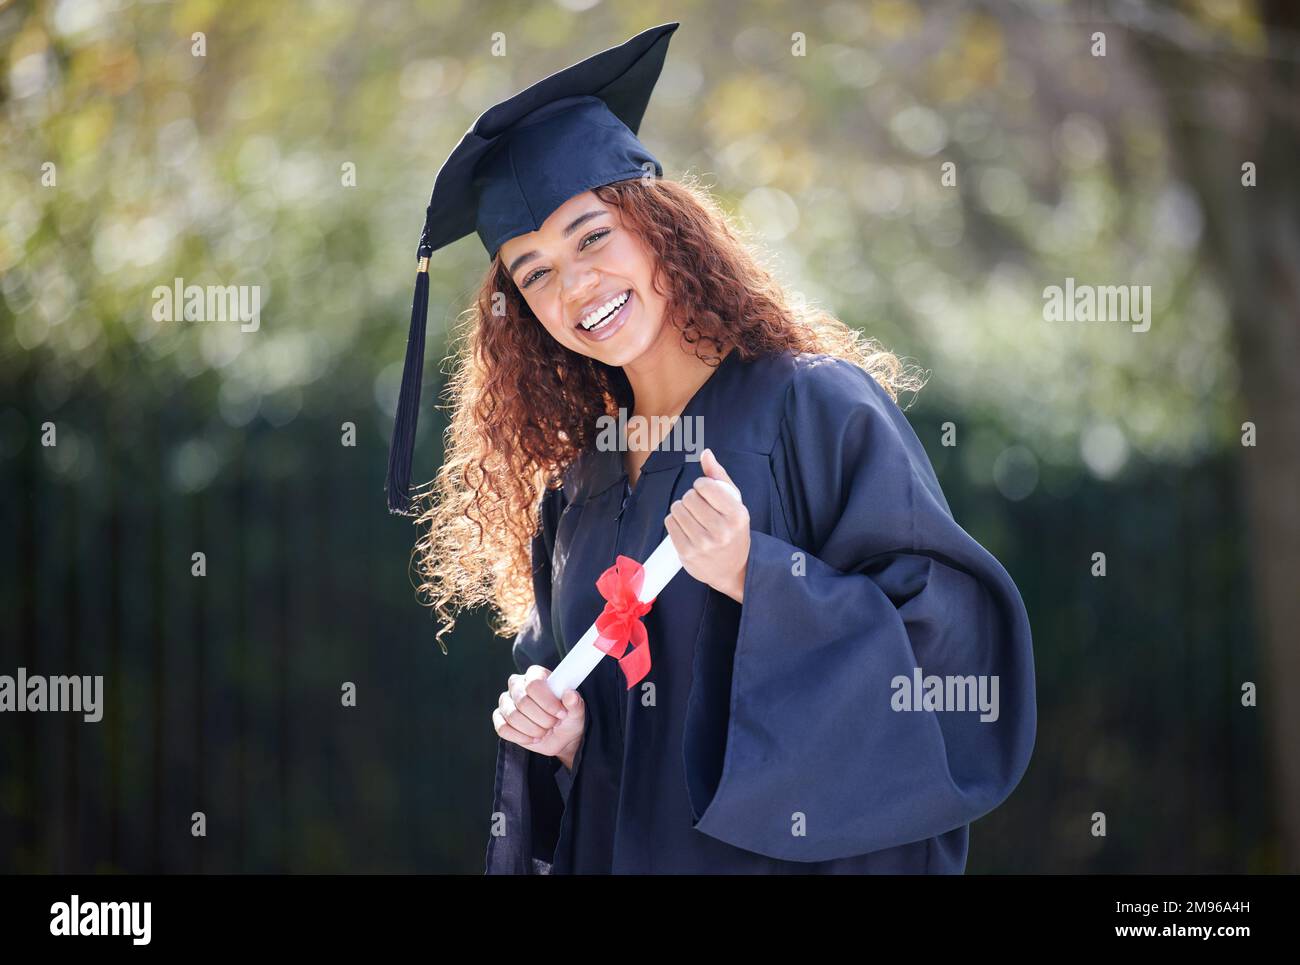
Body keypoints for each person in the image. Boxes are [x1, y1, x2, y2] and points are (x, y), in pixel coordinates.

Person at [387, 23, 1037, 874]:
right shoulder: (576, 493)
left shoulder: (814, 409)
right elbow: (605, 778)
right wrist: (568, 743)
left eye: (591, 236)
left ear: (660, 224)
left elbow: (952, 658)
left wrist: (758, 576)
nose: (575, 285)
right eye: (533, 271)